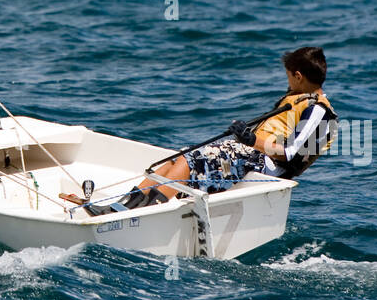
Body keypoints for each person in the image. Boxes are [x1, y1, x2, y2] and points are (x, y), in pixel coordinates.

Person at [61, 46, 337, 213]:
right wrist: (248, 137)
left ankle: (142, 212)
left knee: (190, 161)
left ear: (298, 76)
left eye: (289, 76)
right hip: (251, 153)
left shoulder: (319, 112)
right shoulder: (301, 100)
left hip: (264, 165)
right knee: (177, 157)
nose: (287, 81)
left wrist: (251, 139)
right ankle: (120, 206)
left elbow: (291, 153)